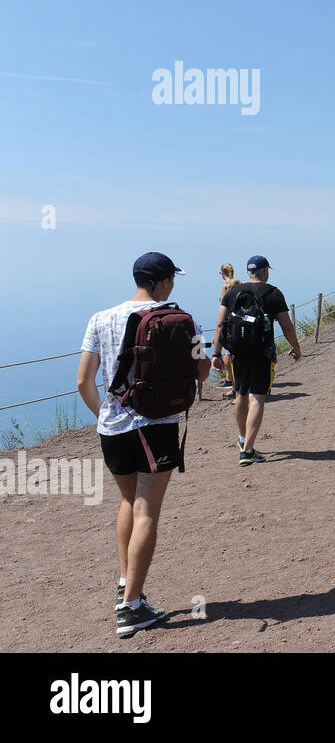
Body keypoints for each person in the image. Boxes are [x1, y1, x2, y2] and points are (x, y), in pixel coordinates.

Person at [77, 253, 210, 636]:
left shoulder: (99, 319)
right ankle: (131, 608)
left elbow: (83, 380)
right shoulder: (187, 322)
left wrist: (107, 413)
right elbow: (202, 371)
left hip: (112, 428)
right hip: (157, 426)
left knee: (127, 502)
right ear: (163, 282)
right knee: (147, 509)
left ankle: (126, 582)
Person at [212, 255, 301, 466]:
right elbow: (286, 326)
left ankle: (244, 439)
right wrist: (296, 347)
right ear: (265, 271)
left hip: (237, 353)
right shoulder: (273, 293)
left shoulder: (232, 292)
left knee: (241, 394)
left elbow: (219, 324)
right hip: (262, 353)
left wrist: (216, 354)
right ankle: (248, 450)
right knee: (257, 398)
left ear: (249, 272)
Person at [217, 263, 240, 399]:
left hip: (230, 324)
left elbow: (222, 302)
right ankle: (230, 382)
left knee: (228, 359)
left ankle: (235, 387)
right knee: (229, 358)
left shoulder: (226, 286)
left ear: (222, 273)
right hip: (236, 322)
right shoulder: (237, 283)